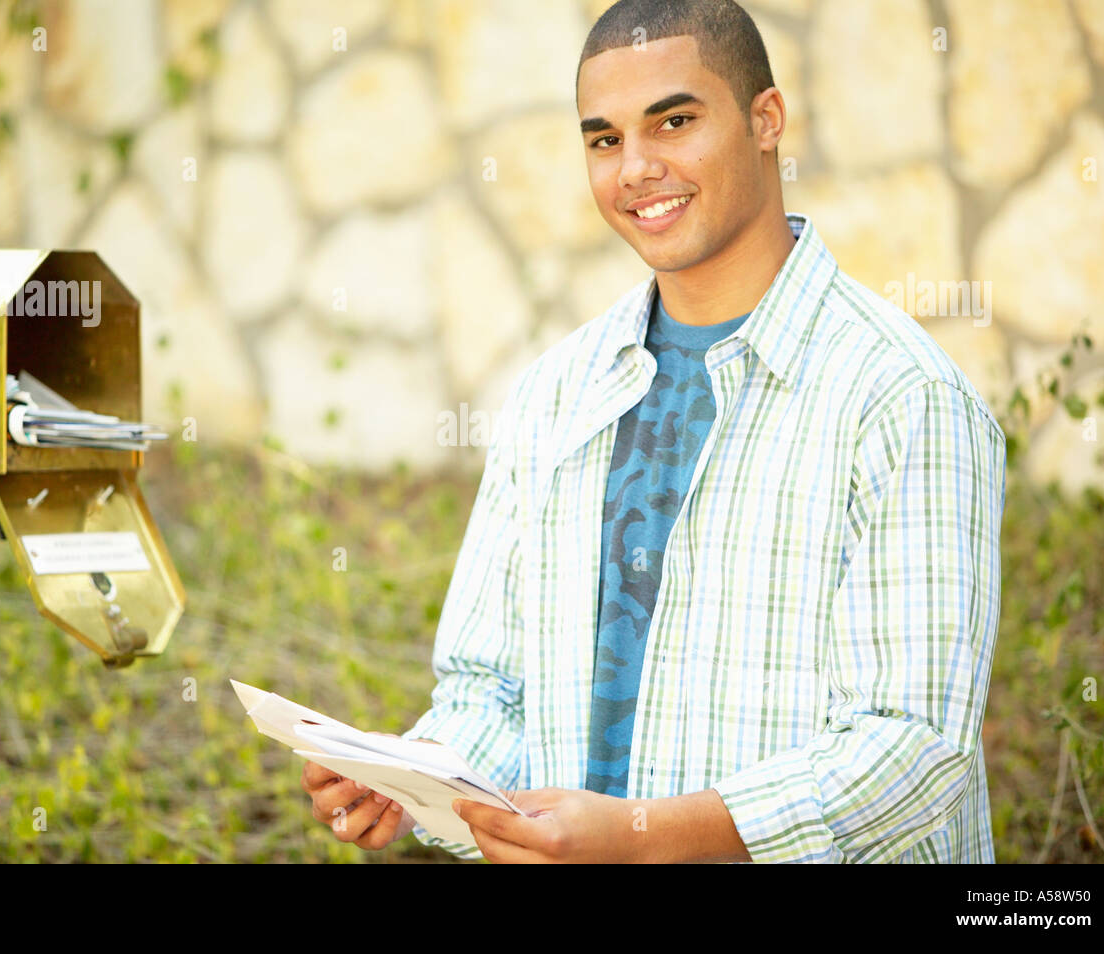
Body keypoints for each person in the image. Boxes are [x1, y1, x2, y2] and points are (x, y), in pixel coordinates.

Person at [301, 0, 1005, 863]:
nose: (636, 168)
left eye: (673, 122)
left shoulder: (902, 397)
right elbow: (493, 693)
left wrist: (641, 840)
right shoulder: (553, 395)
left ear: (765, 120)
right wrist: (412, 778)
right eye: (604, 139)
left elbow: (912, 750)